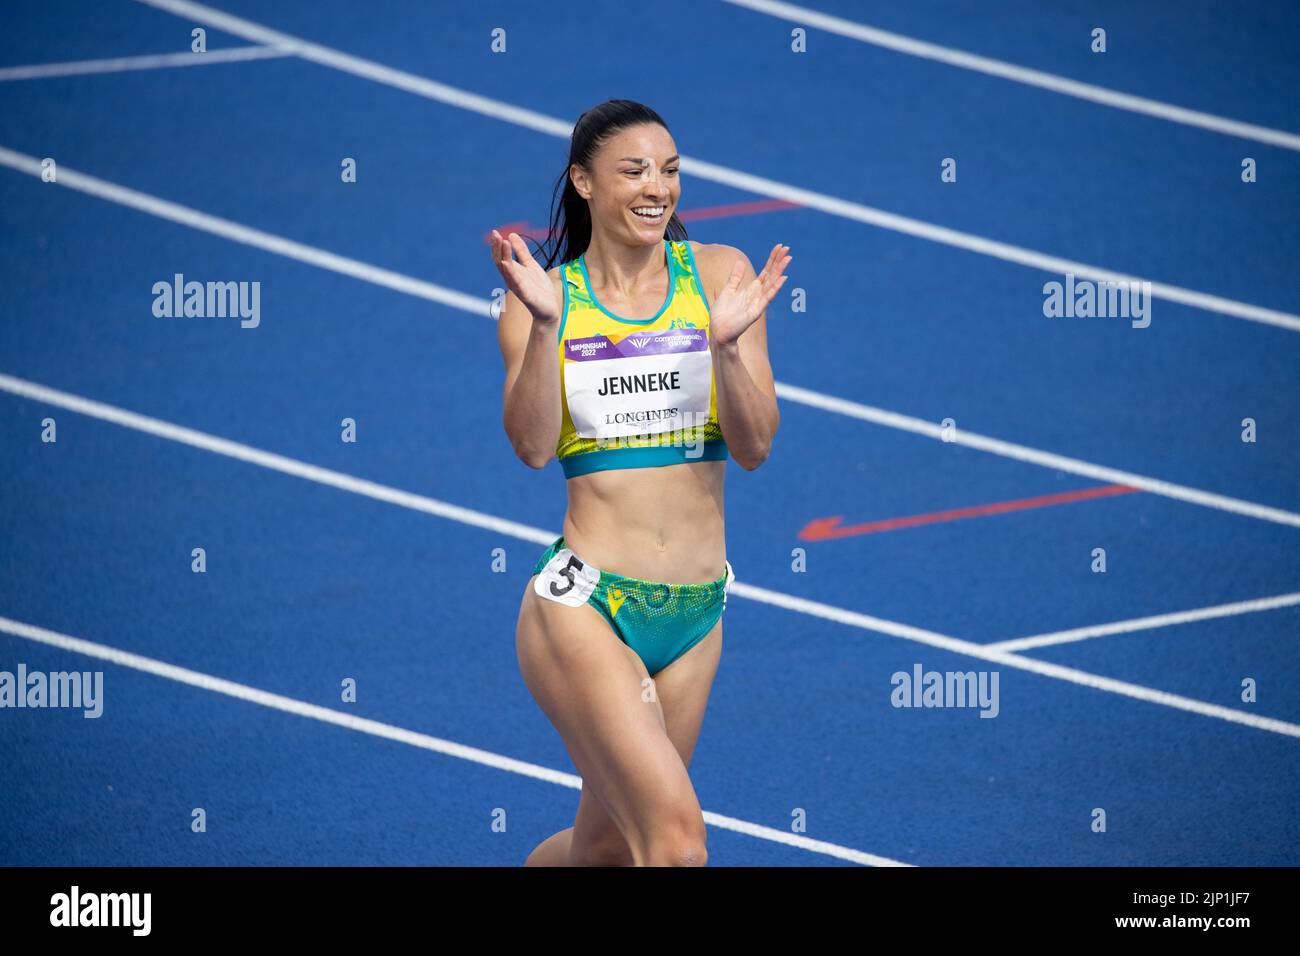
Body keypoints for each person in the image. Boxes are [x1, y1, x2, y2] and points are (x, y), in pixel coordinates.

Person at [491, 98, 788, 866]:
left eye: (670, 169)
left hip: (696, 613)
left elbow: (754, 447)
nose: (657, 186)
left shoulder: (722, 278)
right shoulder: (542, 301)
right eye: (634, 170)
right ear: (584, 183)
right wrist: (550, 328)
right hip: (587, 606)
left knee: (604, 853)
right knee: (677, 846)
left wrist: (725, 349)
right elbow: (528, 447)